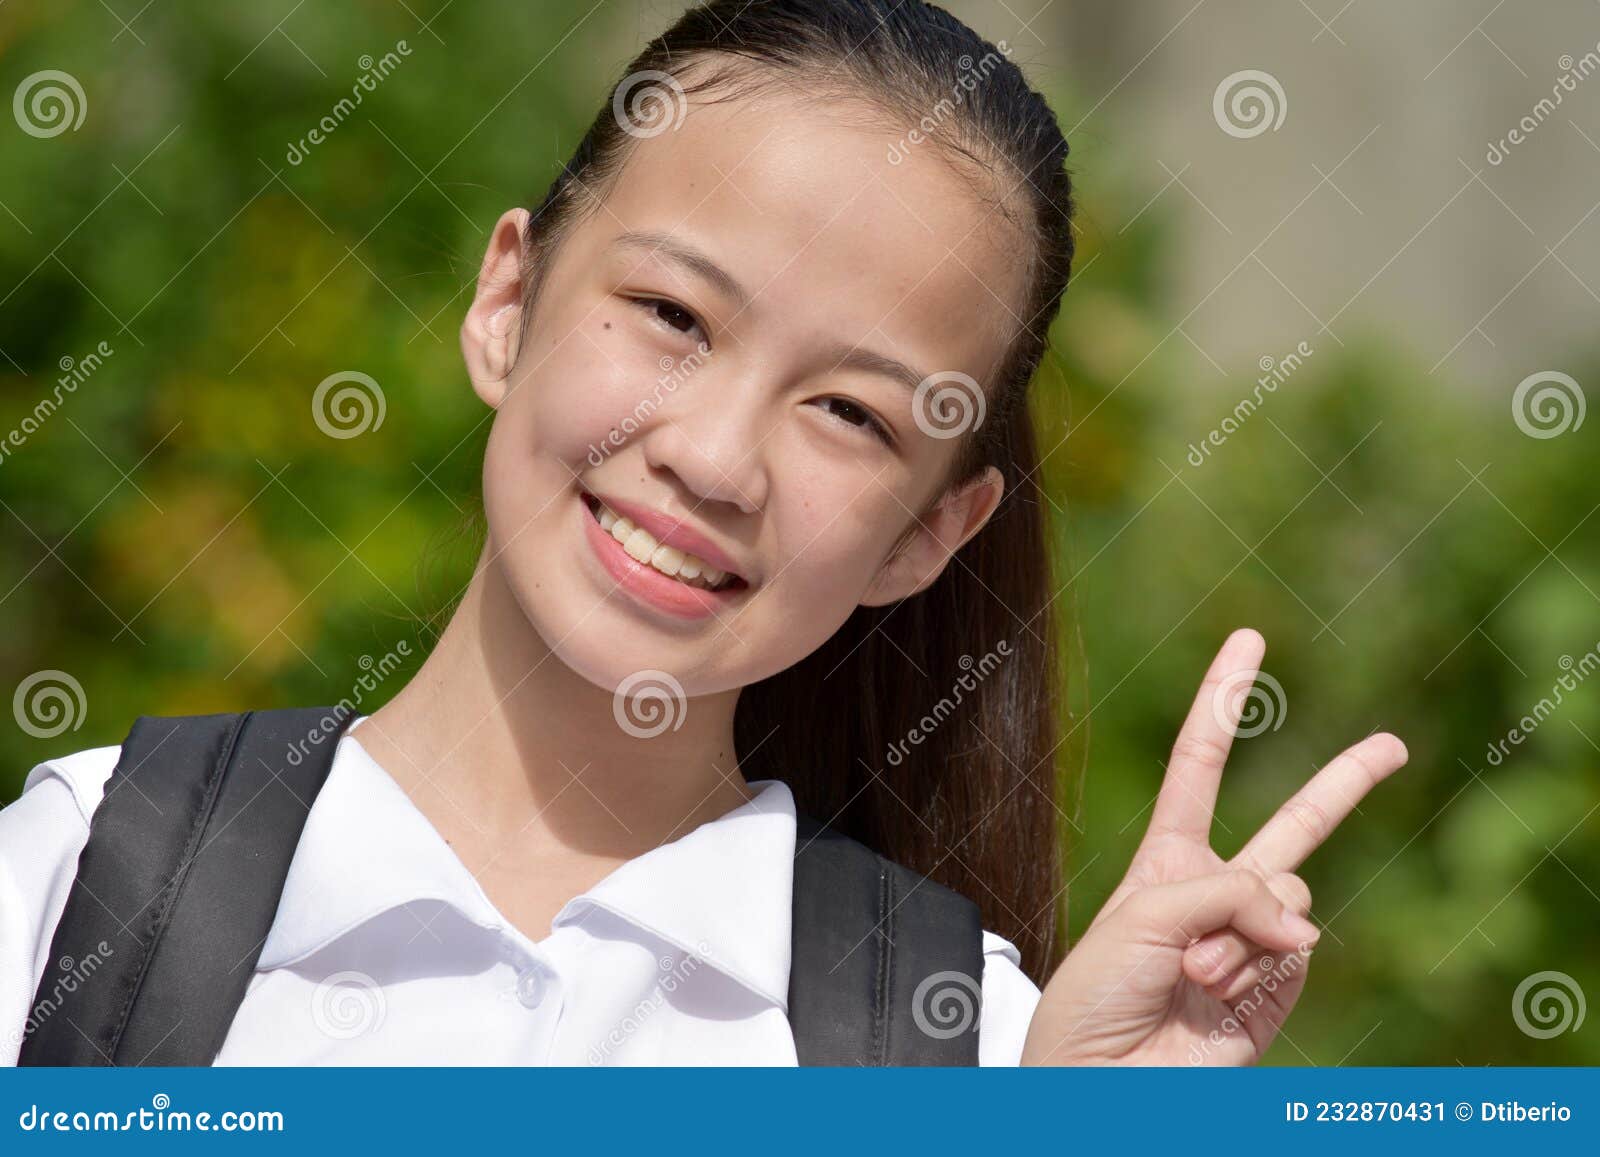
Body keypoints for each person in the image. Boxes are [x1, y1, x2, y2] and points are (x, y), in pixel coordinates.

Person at [0, 0, 1406, 1066]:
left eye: (853, 413)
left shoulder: (978, 1048)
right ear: (509, 298)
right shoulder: (74, 887)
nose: (717, 457)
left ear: (932, 529)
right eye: (673, 317)